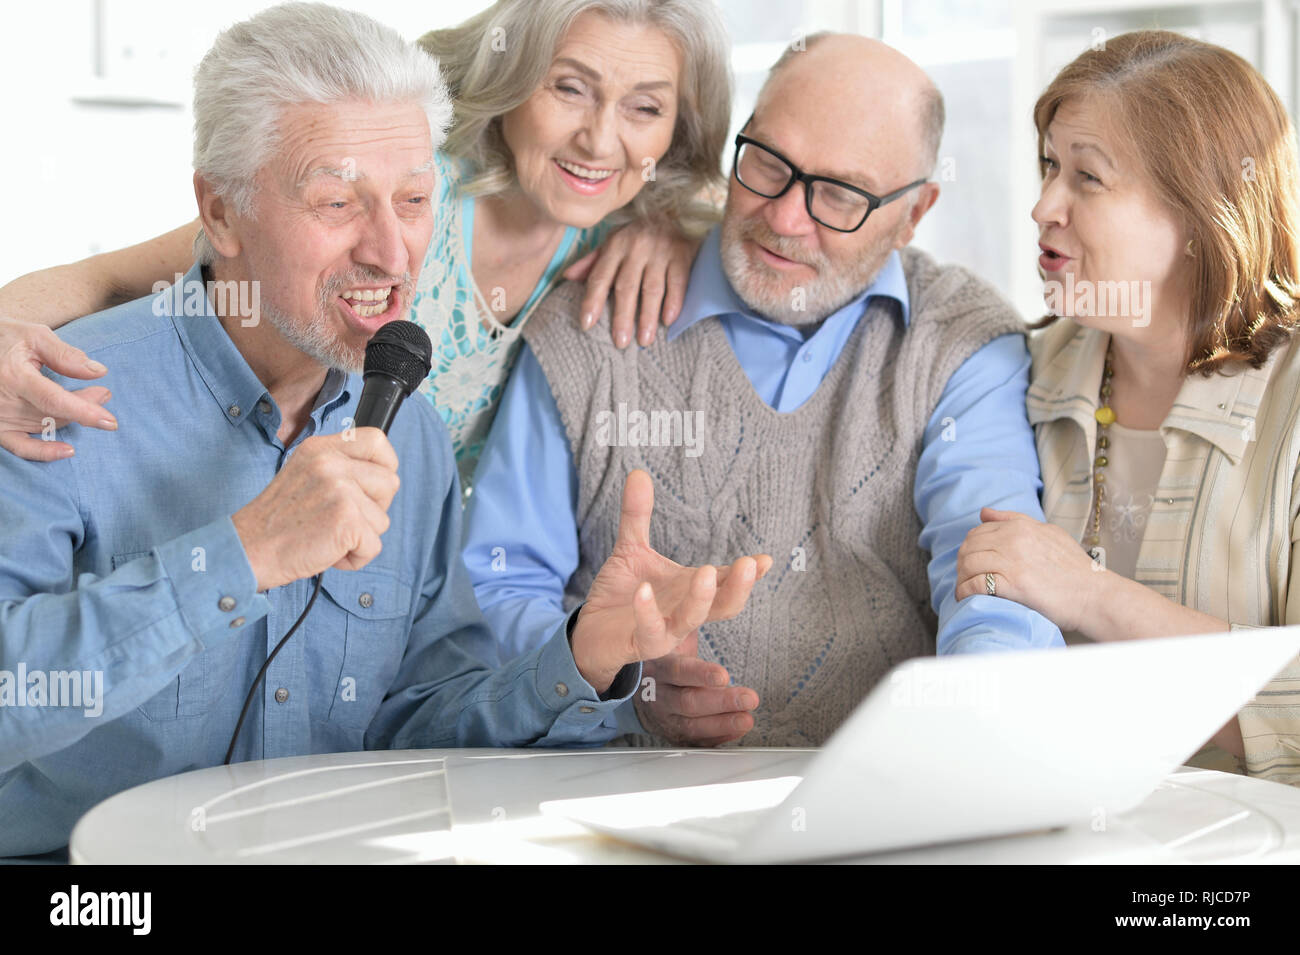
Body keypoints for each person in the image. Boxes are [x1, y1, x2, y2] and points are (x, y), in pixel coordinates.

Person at [0, 3, 769, 859]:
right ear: (219, 215)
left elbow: (419, 725)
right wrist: (243, 553)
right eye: (337, 201)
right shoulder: (46, 397)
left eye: (412, 200)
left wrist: (584, 659)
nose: (393, 254)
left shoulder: (412, 436)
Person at [463, 33, 1064, 748]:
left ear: (914, 213)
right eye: (767, 164)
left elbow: (994, 583)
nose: (783, 218)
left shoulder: (962, 344)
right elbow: (494, 595)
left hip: (881, 799)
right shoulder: (590, 323)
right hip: (612, 795)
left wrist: (965, 738)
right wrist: (617, 684)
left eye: (839, 195)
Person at [0, 0, 732, 487]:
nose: (601, 139)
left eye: (646, 108)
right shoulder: (401, 193)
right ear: (511, 81)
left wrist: (675, 224)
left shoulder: (630, 222)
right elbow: (105, 279)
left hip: (455, 603)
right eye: (569, 88)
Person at [955, 30, 1300, 786]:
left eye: (1089, 177)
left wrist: (1087, 592)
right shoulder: (1017, 374)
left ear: (1201, 214)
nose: (1045, 205)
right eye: (1049, 165)